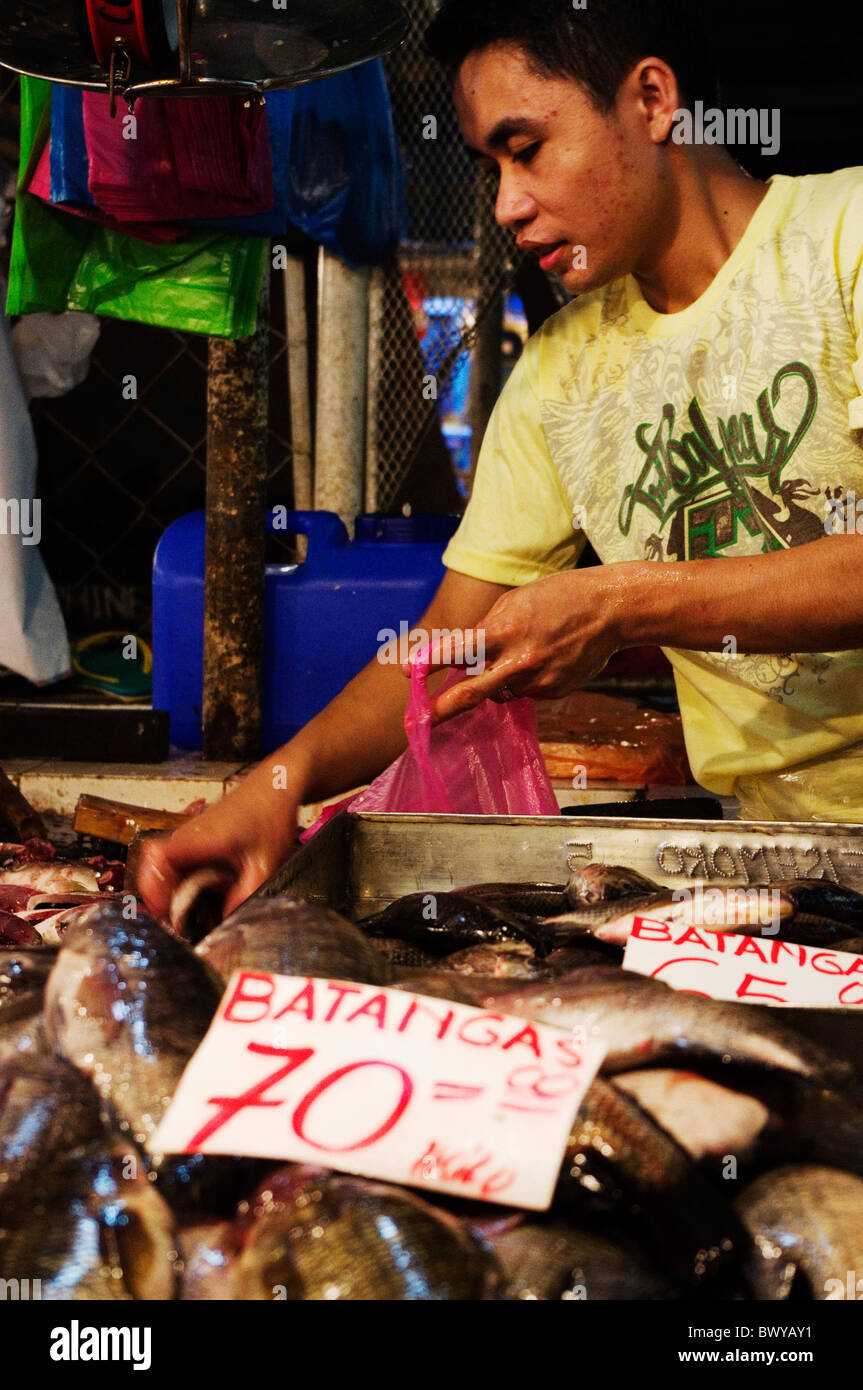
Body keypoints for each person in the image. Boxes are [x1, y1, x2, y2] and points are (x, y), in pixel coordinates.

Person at [140, 0, 863, 923]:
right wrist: (277, 783)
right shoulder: (559, 373)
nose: (505, 206)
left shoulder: (838, 241)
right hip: (776, 871)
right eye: (488, 166)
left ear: (649, 99)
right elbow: (449, 646)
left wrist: (620, 599)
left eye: (526, 150)